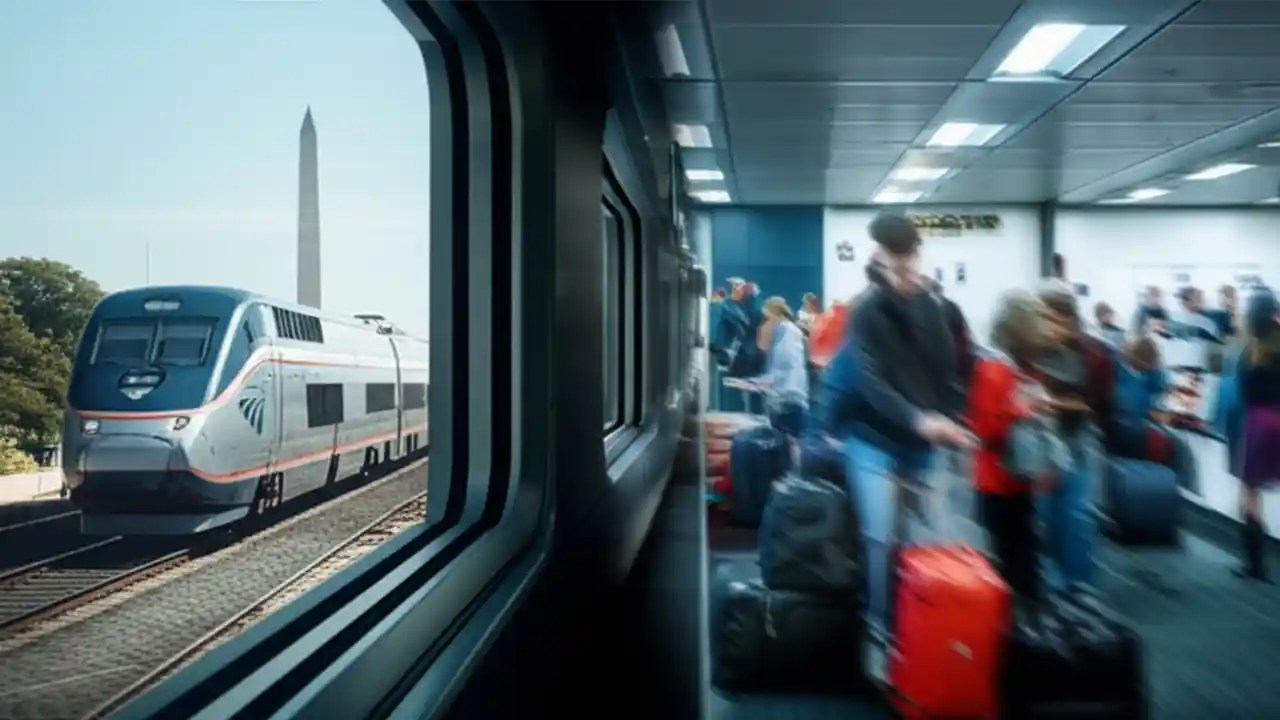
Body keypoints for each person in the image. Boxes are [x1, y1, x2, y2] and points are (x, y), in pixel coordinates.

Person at [820, 213, 971, 683]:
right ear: (880, 258)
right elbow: (870, 382)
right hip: (871, 439)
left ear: (917, 254)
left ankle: (927, 628)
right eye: (892, 258)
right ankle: (878, 631)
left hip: (922, 443)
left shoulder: (932, 307)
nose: (902, 266)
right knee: (881, 537)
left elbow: (948, 372)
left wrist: (950, 417)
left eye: (907, 257)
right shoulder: (866, 311)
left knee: (931, 540)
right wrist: (919, 419)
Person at [968, 290, 1059, 601]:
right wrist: (1024, 408)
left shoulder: (1021, 367)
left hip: (1016, 481)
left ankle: (1024, 618)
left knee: (1024, 557)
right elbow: (985, 429)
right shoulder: (994, 368)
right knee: (1008, 562)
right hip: (996, 483)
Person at [1034, 281, 1112, 596]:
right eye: (1043, 319)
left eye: (1052, 318)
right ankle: (1054, 588)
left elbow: (1098, 405)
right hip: (1043, 439)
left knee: (1077, 517)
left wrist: (1051, 402)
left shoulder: (1094, 354)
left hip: (1078, 438)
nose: (1047, 326)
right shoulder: (1036, 350)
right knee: (1046, 516)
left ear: (1068, 318)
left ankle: (1080, 589)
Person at [1235, 289, 1280, 582]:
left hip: (1258, 424)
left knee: (1250, 493)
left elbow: (1241, 393)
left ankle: (1255, 566)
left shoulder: (1248, 353)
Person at [757, 296, 809, 400]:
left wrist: (767, 380)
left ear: (775, 313)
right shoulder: (791, 329)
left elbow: (785, 360)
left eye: (768, 317)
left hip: (786, 390)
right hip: (793, 387)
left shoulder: (785, 330)